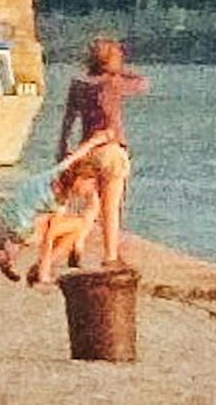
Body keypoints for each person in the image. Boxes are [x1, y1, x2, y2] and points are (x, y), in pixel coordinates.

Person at [21, 38, 143, 285]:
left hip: (86, 150)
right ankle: (110, 256)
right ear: (111, 60)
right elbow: (143, 83)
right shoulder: (114, 83)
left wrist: (63, 149)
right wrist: (119, 70)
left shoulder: (78, 85)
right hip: (109, 149)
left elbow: (68, 119)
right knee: (111, 206)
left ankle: (64, 252)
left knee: (91, 206)